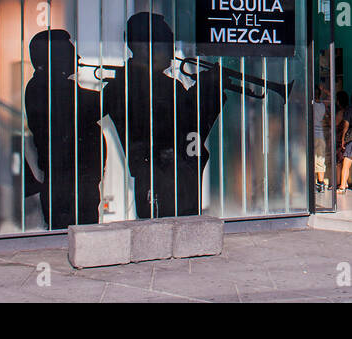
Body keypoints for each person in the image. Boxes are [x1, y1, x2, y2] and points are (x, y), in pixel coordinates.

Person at [102, 13, 223, 219]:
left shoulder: (162, 84)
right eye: (166, 43)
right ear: (144, 46)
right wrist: (207, 91)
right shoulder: (133, 86)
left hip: (177, 174)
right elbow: (188, 126)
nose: (171, 50)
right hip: (162, 178)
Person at [24, 29, 103, 228]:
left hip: (78, 179)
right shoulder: (43, 87)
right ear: (54, 56)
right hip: (68, 181)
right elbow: (90, 104)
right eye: (70, 52)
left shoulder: (56, 86)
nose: (77, 57)